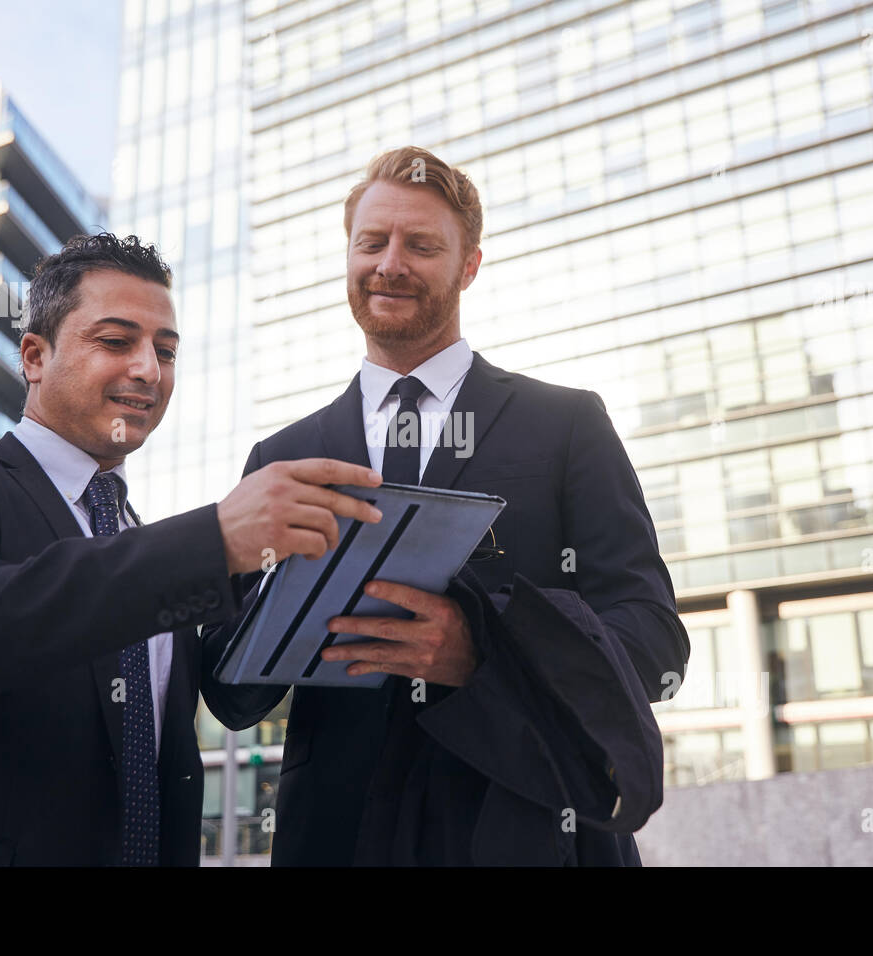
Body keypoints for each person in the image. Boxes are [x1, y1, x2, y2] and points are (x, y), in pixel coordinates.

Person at [0, 233, 381, 866]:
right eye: (115, 341)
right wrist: (214, 539)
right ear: (34, 356)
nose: (148, 370)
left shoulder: (149, 548)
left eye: (166, 351)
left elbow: (226, 707)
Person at [202, 148, 690, 866]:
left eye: (421, 246)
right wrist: (283, 612)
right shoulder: (282, 457)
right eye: (371, 243)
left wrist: (485, 650)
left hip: (526, 830)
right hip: (337, 839)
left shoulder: (566, 425)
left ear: (469, 267)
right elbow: (228, 694)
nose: (390, 264)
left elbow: (653, 642)